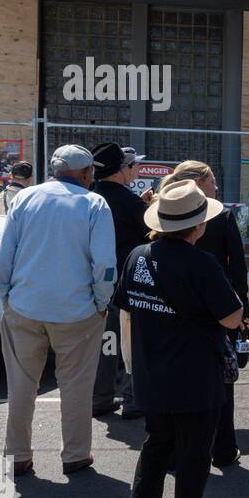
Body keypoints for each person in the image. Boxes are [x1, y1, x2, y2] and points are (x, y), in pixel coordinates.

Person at [110, 180, 244, 498]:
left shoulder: (138, 255)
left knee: (158, 441)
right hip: (195, 372)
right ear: (198, 226)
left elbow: (125, 301)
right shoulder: (202, 263)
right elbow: (232, 317)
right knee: (194, 451)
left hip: (151, 370)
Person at [0, 145, 116, 477]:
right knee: (76, 385)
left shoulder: (25, 198)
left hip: (24, 306)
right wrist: (101, 303)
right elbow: (104, 264)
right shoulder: (95, 204)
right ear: (86, 173)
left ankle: (17, 455)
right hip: (77, 312)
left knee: (20, 384)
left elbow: (3, 257)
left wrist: (5, 296)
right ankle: (75, 455)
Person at [159, 161, 248, 466]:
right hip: (217, 307)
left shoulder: (163, 209)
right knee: (221, 376)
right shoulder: (221, 216)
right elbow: (237, 263)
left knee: (173, 375)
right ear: (199, 181)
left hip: (169, 304)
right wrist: (242, 306)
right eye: (212, 180)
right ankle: (223, 447)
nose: (217, 186)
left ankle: (172, 449)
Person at [91, 142, 148, 420]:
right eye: (134, 166)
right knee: (130, 343)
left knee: (107, 342)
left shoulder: (90, 197)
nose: (136, 170)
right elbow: (151, 234)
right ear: (121, 170)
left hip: (94, 286)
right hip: (125, 285)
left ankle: (100, 397)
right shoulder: (129, 201)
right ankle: (132, 399)